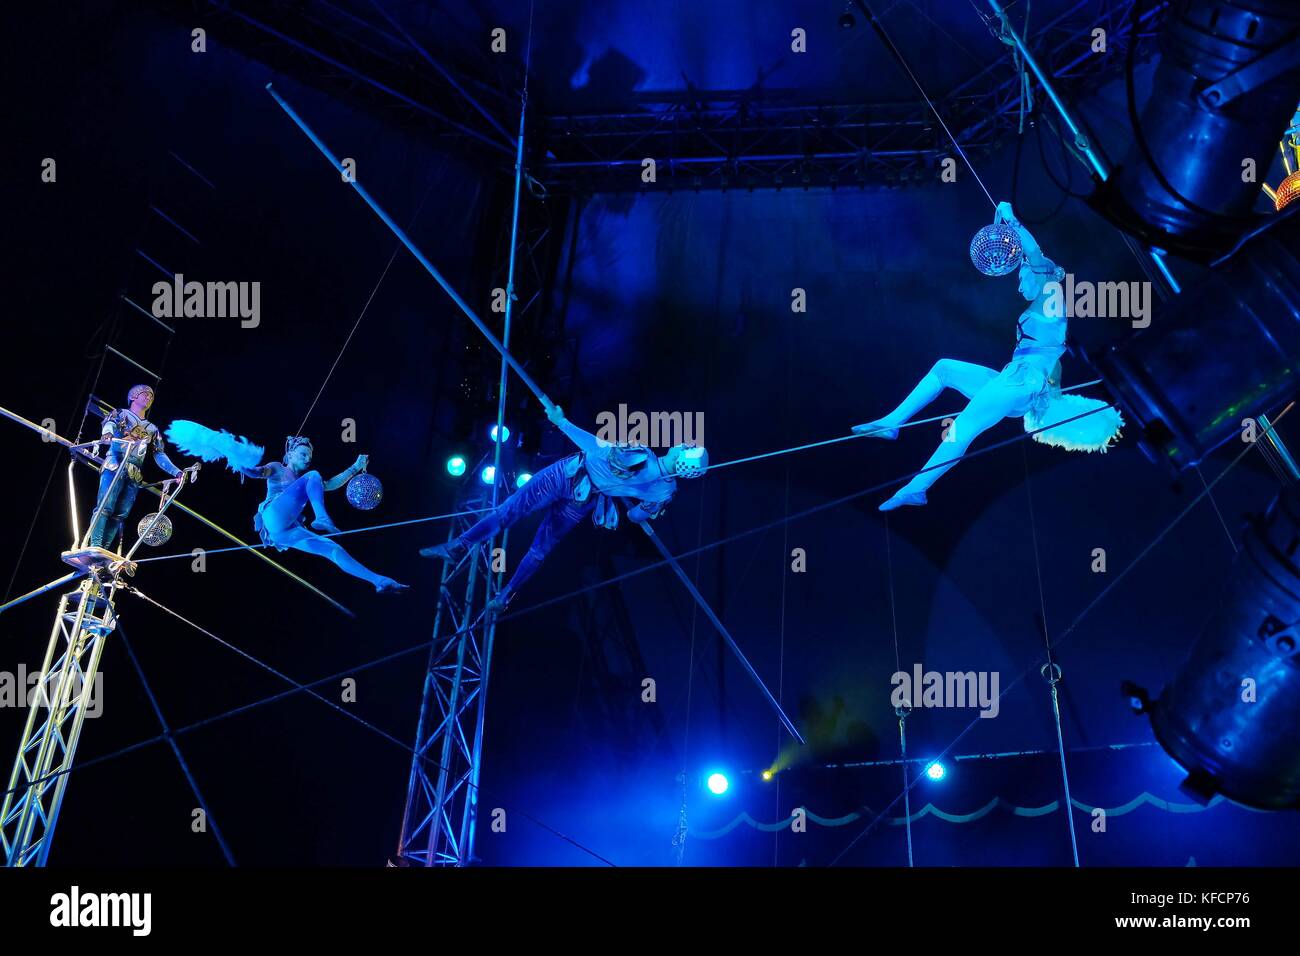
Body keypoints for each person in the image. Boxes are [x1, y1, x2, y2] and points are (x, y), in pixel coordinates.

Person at [853, 201, 1120, 511]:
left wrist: (1011, 219)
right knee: (944, 369)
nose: (1019, 284)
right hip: (1017, 380)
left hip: (1020, 383)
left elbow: (1033, 254)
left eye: (1023, 277)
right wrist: (1052, 390)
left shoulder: (1052, 294)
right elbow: (1055, 359)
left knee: (962, 428)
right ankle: (892, 424)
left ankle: (917, 488)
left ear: (1040, 275)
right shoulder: (1047, 311)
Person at [420, 405, 708, 613]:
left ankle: (460, 545)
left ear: (683, 459)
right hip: (584, 499)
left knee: (509, 511)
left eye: (685, 447)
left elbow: (595, 447)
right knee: (540, 549)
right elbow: (633, 516)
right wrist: (648, 506)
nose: (681, 443)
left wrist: (562, 422)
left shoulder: (641, 453)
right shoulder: (665, 492)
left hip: (566, 476)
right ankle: (505, 596)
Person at [239, 436, 408, 593]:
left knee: (333, 549)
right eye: (303, 454)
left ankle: (379, 581)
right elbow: (258, 472)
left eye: (309, 457)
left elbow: (330, 484)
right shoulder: (278, 467)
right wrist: (240, 463)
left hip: (285, 531)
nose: (307, 459)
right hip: (273, 516)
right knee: (313, 475)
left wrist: (355, 467)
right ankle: (321, 517)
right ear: (290, 454)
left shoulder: (306, 481)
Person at [87, 384, 199, 550]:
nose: (149, 398)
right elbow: (109, 423)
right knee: (105, 506)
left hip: (134, 473)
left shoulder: (152, 429)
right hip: (115, 464)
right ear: (133, 396)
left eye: (151, 396)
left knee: (120, 514)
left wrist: (176, 471)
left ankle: (103, 549)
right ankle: (95, 544)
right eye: (145, 394)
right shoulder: (122, 414)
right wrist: (108, 433)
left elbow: (159, 454)